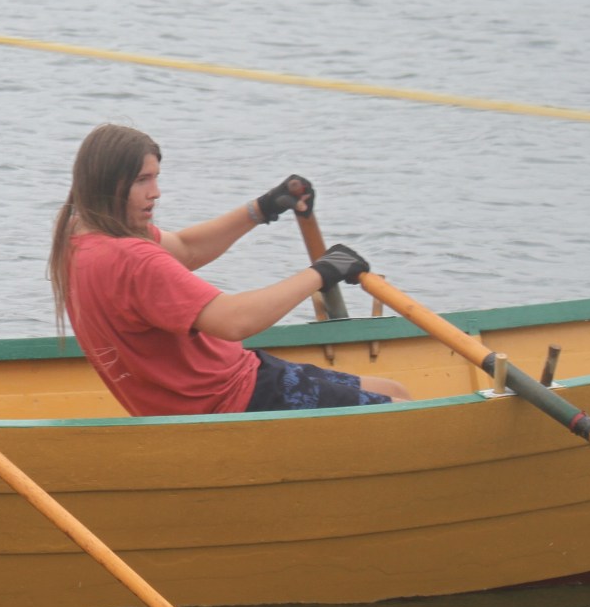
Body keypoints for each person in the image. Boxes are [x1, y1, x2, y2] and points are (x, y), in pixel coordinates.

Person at [48, 123, 411, 417]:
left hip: (236, 380)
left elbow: (186, 249)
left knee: (393, 390)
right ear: (108, 183)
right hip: (237, 401)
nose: (156, 192)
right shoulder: (133, 259)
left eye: (156, 177)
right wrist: (323, 271)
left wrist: (262, 208)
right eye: (142, 180)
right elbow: (235, 321)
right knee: (400, 411)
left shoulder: (78, 236)